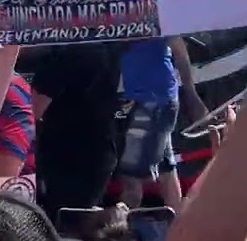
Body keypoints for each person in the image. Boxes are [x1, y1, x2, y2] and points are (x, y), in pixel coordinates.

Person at [31, 42, 124, 219]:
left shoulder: (68, 53)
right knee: (79, 222)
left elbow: (32, 109)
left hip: (70, 156)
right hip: (98, 148)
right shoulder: (102, 44)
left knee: (64, 222)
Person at [115, 36, 206, 209]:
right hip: (151, 100)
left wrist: (192, 96)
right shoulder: (121, 19)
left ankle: (120, 230)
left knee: (130, 178)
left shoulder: (156, 16)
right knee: (166, 170)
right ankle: (178, 222)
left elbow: (180, 52)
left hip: (153, 101)